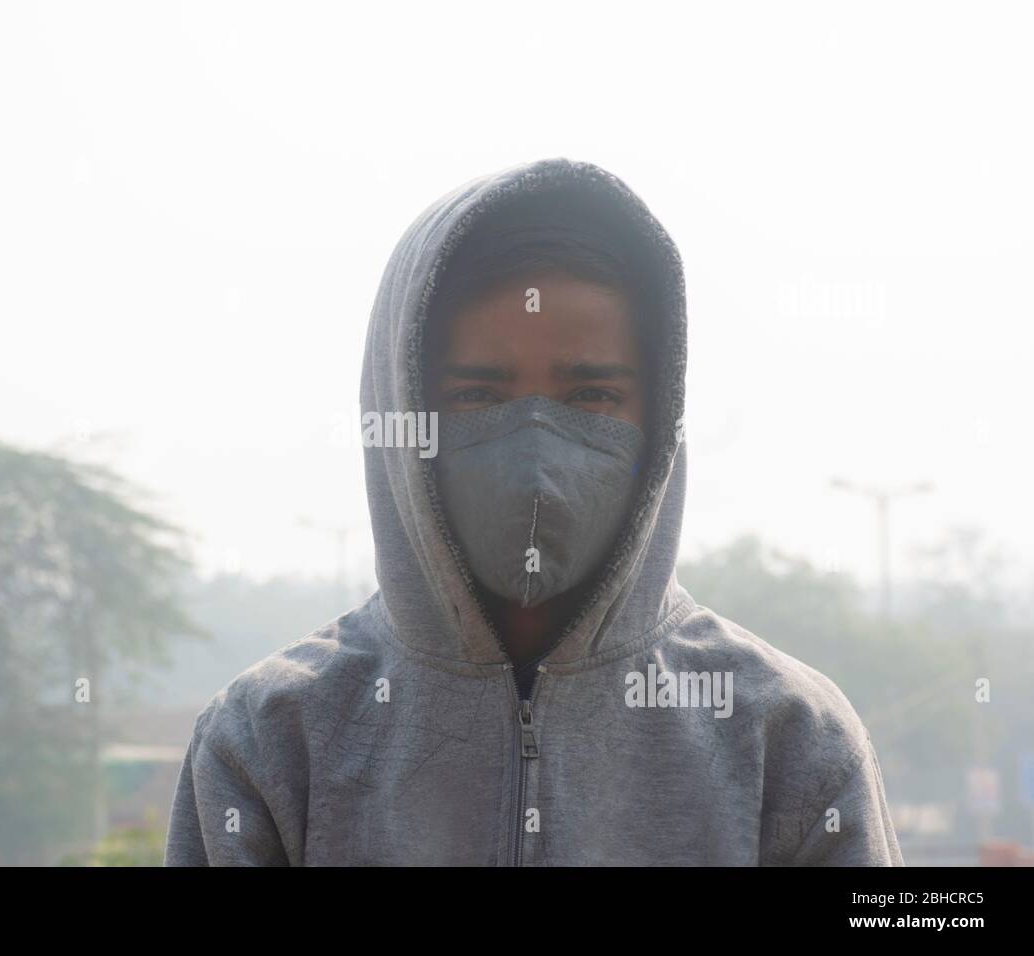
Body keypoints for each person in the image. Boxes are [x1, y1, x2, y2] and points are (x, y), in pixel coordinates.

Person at [164, 157, 903, 865]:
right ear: (405, 414)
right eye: (480, 396)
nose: (537, 452)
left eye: (591, 397)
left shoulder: (788, 742)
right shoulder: (270, 742)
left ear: (660, 420)